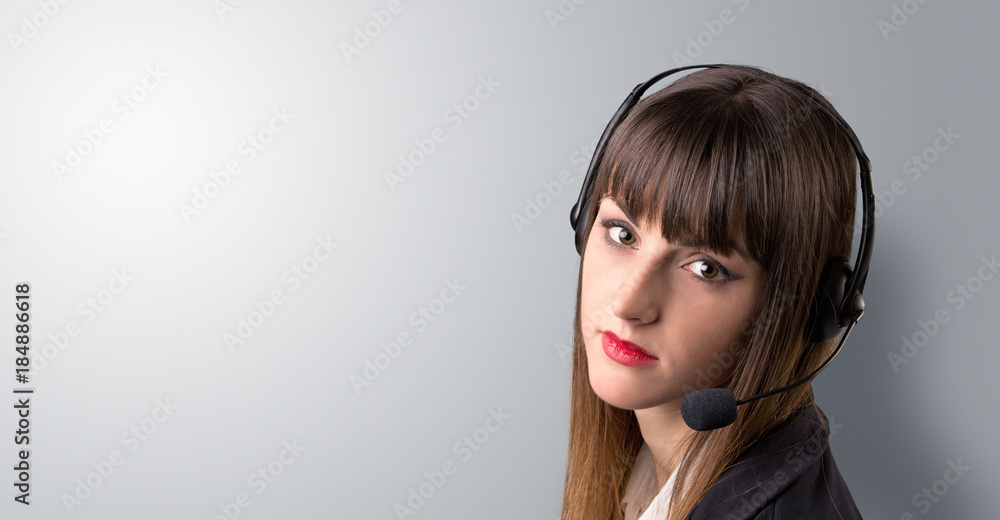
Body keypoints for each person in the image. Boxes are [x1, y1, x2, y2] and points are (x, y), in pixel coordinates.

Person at [560, 64, 866, 520]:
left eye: (705, 268)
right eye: (623, 234)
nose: (626, 304)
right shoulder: (640, 475)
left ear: (807, 307)